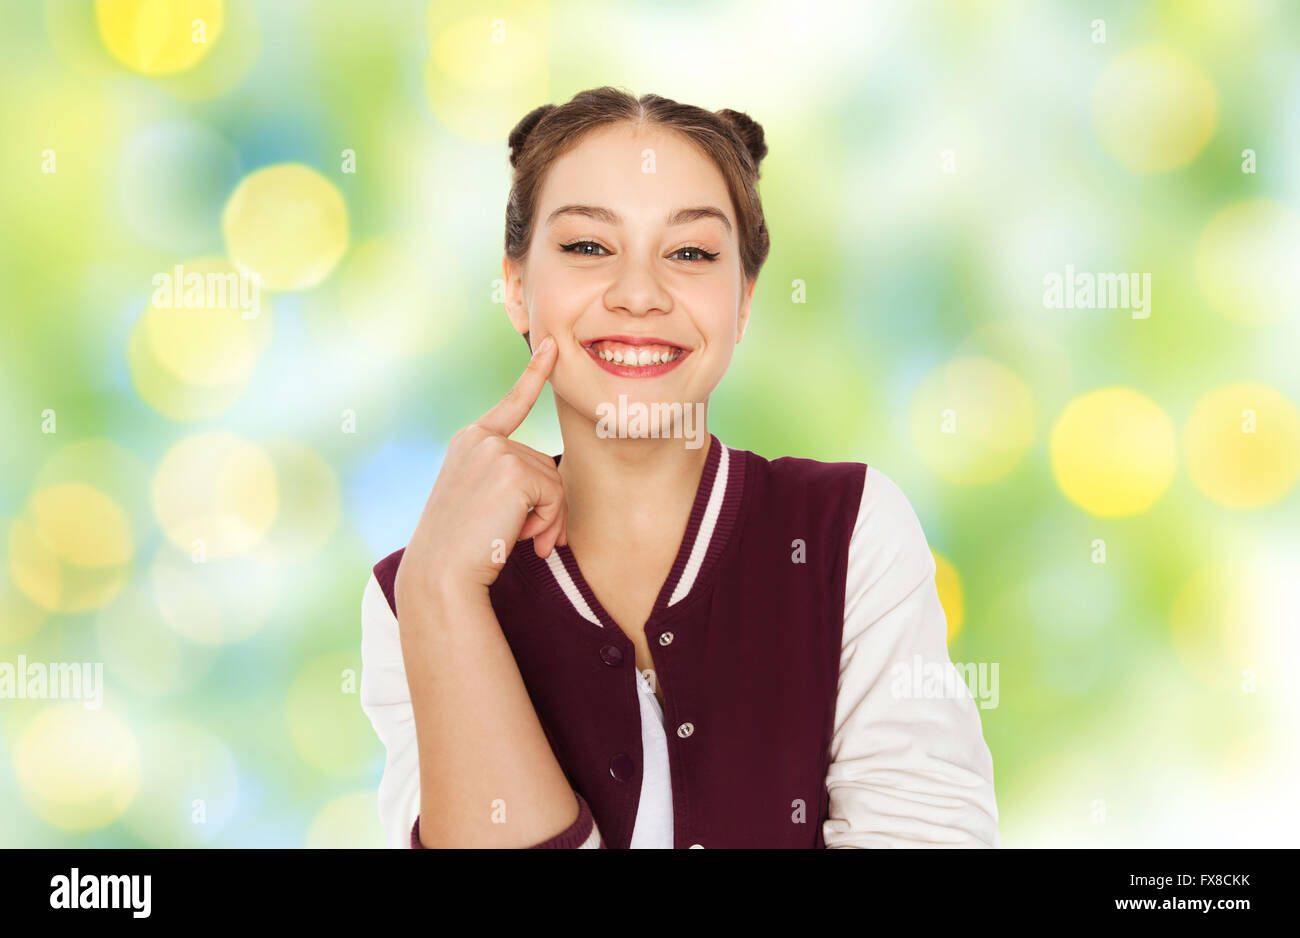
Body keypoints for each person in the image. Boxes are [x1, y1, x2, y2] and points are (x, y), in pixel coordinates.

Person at [360, 86, 1000, 848]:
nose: (638, 294)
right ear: (517, 288)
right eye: (589, 247)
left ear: (744, 300)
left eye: (691, 253)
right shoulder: (414, 594)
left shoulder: (846, 527)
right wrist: (442, 592)